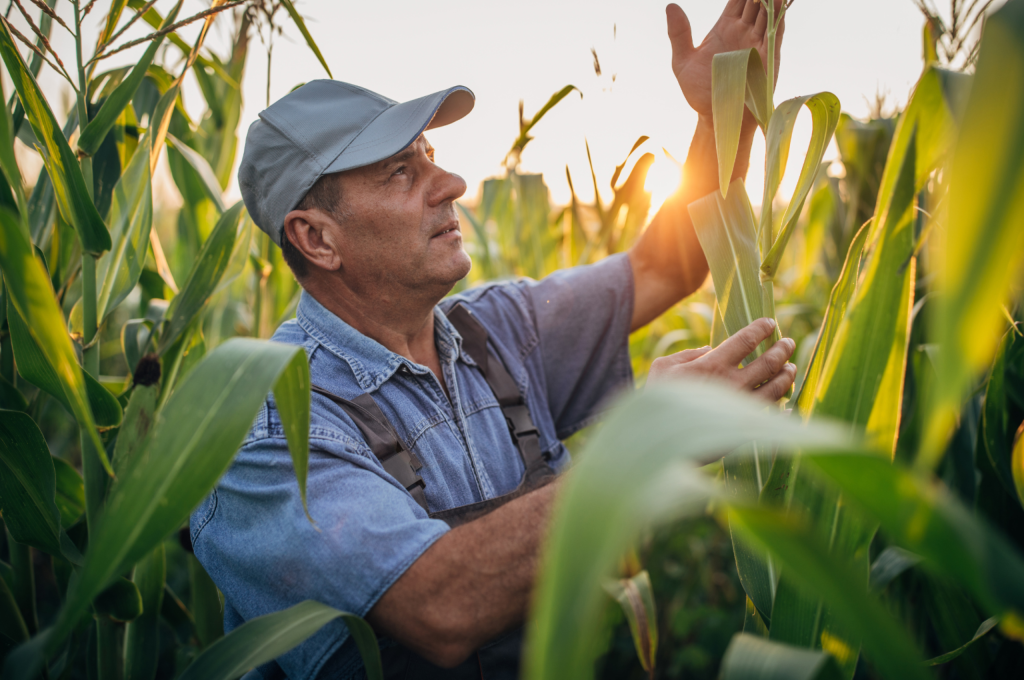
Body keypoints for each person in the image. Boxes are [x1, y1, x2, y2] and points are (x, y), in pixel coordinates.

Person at [191, 1, 794, 678]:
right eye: (401, 173)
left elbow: (666, 265)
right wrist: (643, 444)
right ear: (317, 238)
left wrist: (724, 106)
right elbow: (438, 604)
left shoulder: (499, 330)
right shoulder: (273, 426)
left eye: (431, 158)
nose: (451, 184)